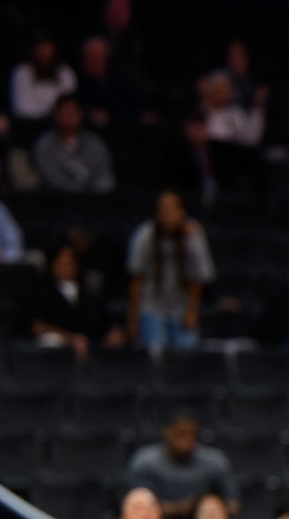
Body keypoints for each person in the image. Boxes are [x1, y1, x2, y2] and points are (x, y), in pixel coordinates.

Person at [124, 190, 214, 353]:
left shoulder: (193, 234)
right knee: (155, 358)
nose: (168, 216)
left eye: (172, 210)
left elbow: (199, 277)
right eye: (163, 211)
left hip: (182, 307)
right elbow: (136, 278)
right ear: (157, 214)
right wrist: (133, 320)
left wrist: (192, 311)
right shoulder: (145, 235)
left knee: (186, 361)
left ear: (182, 212)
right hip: (152, 306)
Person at [127, 417, 234, 519]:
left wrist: (209, 508)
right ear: (167, 432)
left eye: (191, 435)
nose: (186, 441)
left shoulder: (214, 462)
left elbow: (232, 504)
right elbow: (135, 506)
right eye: (181, 434)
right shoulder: (146, 462)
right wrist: (180, 508)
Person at [32, 96, 113, 194]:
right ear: (56, 115)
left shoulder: (95, 143)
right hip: (56, 200)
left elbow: (103, 173)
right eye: (65, 112)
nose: (69, 116)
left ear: (81, 114)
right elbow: (50, 177)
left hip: (92, 201)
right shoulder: (45, 144)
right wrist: (76, 191)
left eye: (73, 112)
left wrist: (88, 192)